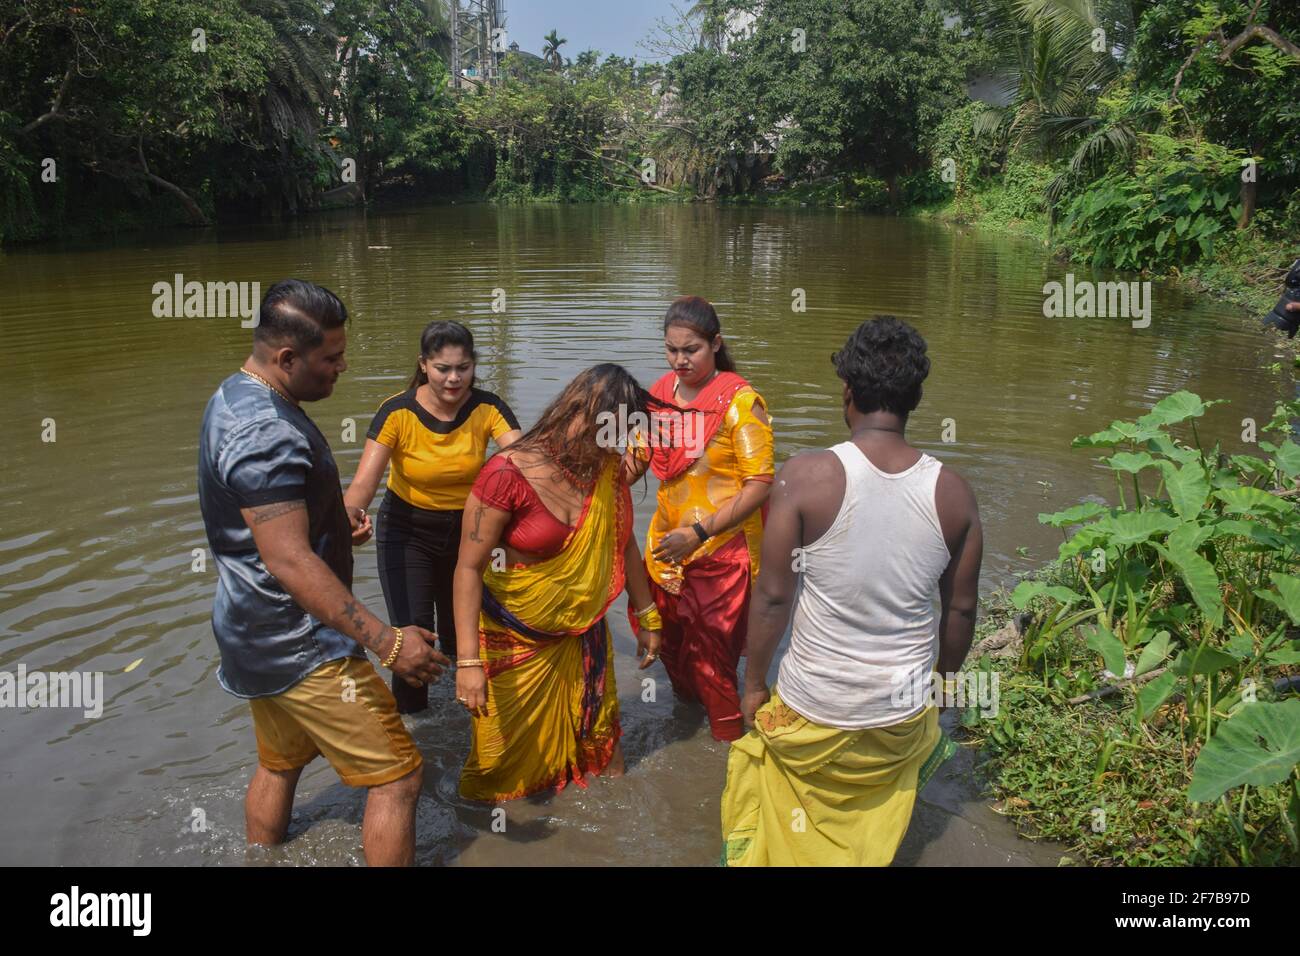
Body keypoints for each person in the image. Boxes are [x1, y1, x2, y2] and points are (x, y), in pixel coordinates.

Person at [197, 279, 447, 867]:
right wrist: (388, 644)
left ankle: (263, 857)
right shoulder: (266, 430)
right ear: (287, 358)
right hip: (301, 643)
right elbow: (288, 559)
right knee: (399, 779)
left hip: (249, 631)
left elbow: (271, 533)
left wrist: (333, 525)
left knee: (280, 760)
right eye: (331, 357)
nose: (342, 367)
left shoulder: (235, 396)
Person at [720, 316, 983, 867]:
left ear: (848, 391)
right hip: (899, 713)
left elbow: (772, 598)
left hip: (816, 704)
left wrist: (752, 687)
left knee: (786, 829)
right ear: (915, 397)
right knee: (866, 836)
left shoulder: (807, 476)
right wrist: (945, 687)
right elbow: (959, 610)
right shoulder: (954, 494)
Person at [452, 365, 664, 801]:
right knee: (496, 771)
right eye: (603, 430)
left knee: (604, 753)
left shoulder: (606, 472)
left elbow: (623, 546)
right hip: (511, 640)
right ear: (575, 410)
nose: (609, 445)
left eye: (617, 435)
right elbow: (468, 568)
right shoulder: (505, 474)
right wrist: (468, 664)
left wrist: (648, 616)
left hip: (583, 637)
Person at [344, 320, 521, 714]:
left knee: (467, 642)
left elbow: (525, 462)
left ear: (474, 365)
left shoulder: (488, 407)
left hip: (470, 536)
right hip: (407, 534)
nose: (454, 378)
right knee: (414, 644)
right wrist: (349, 516)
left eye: (463, 368)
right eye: (443, 369)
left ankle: (472, 730)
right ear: (424, 365)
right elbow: (363, 484)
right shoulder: (397, 411)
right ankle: (412, 735)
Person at [635, 296, 774, 743]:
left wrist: (697, 533)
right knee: (672, 650)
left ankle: (731, 746)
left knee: (710, 656)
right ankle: (689, 737)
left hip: (720, 548)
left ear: (716, 344)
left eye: (690, 349)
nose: (680, 360)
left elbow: (760, 485)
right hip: (666, 546)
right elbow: (638, 457)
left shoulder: (740, 403)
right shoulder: (658, 396)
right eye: (672, 349)